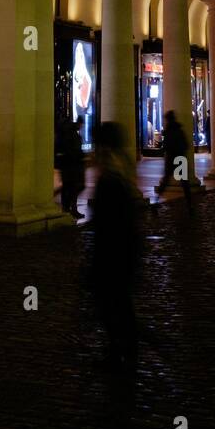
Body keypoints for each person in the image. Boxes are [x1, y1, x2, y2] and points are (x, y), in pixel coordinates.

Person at [88, 122, 142, 372]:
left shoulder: (111, 178)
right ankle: (123, 348)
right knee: (118, 303)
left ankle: (124, 350)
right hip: (120, 253)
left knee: (114, 303)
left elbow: (112, 221)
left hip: (113, 255)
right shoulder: (118, 173)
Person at [156, 110, 191, 212]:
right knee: (184, 182)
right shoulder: (179, 130)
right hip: (180, 158)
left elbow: (166, 146)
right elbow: (186, 144)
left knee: (166, 181)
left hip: (171, 158)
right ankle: (189, 204)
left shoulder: (168, 131)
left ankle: (156, 201)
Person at [56, 115, 86, 218]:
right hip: (72, 164)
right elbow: (73, 149)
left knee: (69, 186)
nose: (81, 126)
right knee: (73, 186)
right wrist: (80, 156)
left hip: (68, 164)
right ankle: (70, 208)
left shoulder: (67, 133)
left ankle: (68, 208)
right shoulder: (72, 134)